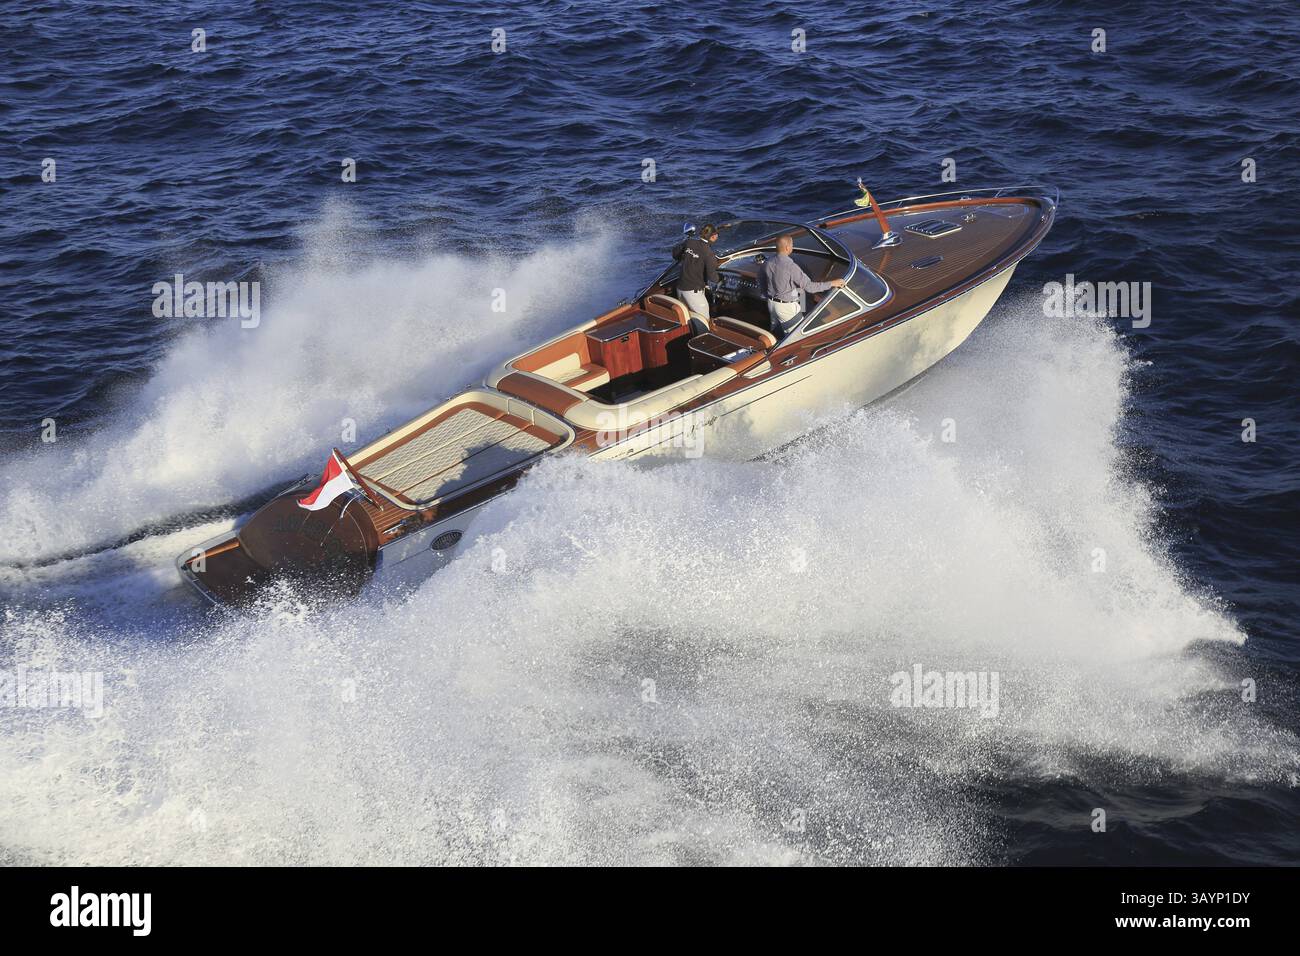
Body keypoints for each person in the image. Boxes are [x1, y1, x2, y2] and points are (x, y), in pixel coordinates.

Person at [759, 234, 846, 338]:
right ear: (787, 247)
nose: (792, 247)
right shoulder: (791, 266)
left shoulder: (768, 262)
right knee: (796, 336)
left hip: (771, 304)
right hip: (786, 308)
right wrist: (833, 283)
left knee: (776, 331)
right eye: (792, 245)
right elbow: (809, 287)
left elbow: (761, 280)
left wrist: (766, 295)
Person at [671, 223, 720, 326]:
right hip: (693, 293)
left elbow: (675, 254)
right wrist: (720, 281)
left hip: (680, 288)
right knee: (704, 321)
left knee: (686, 319)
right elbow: (713, 278)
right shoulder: (709, 254)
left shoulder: (689, 242)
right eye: (717, 234)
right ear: (713, 236)